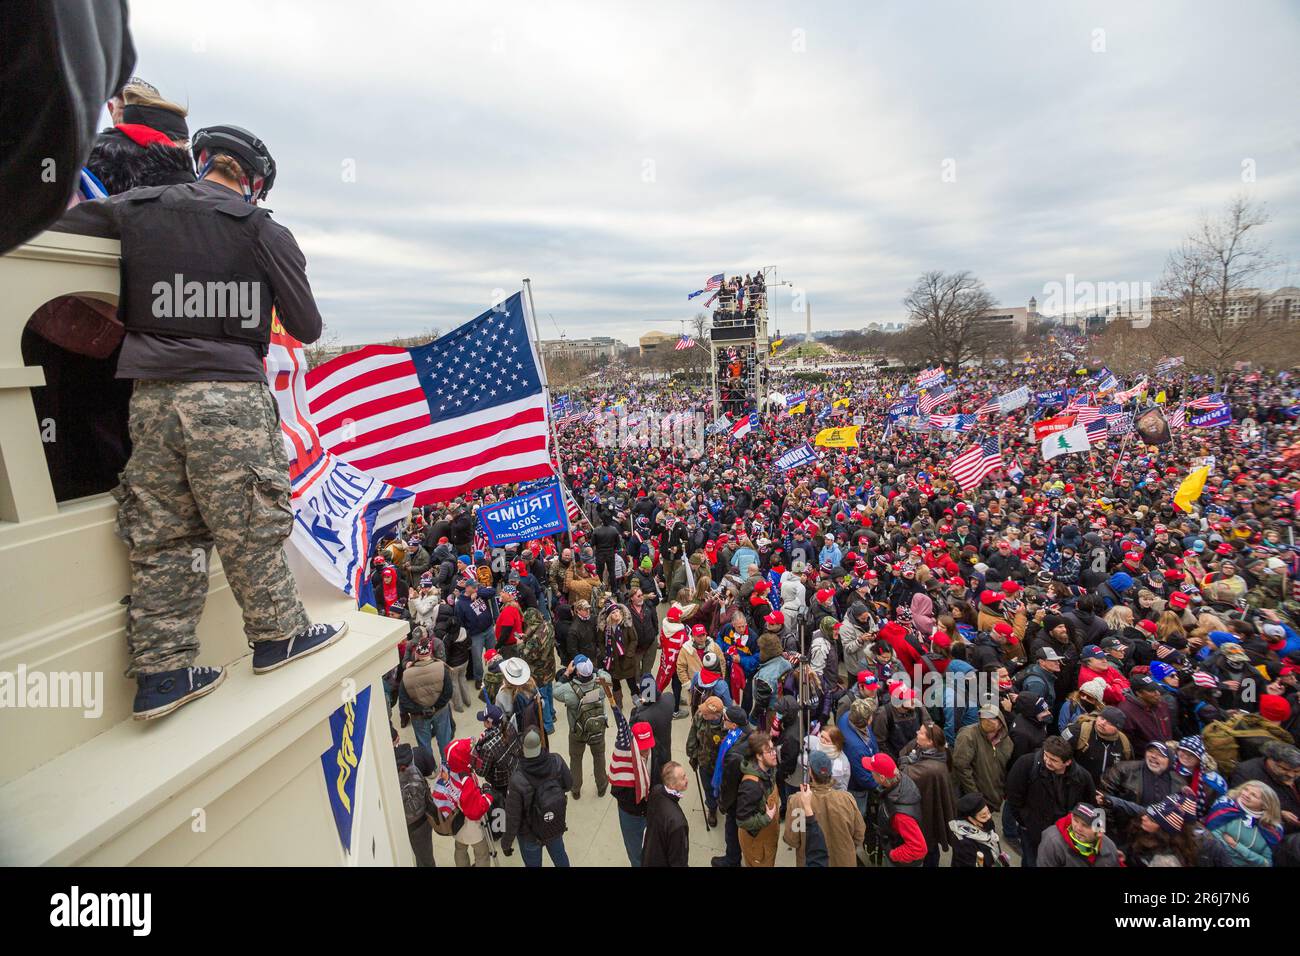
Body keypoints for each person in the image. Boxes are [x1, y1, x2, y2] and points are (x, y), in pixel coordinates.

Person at [54, 124, 346, 719]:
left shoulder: (134, 208)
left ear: (204, 162)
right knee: (249, 520)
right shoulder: (262, 229)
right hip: (227, 393)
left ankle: (163, 674)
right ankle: (278, 635)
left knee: (164, 532)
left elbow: (58, 232)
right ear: (254, 182)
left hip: (152, 398)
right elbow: (307, 326)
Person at [1005, 735, 1096, 867]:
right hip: (1032, 832)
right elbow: (1013, 796)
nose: (1047, 761)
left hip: (1064, 834)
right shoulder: (1026, 764)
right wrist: (1024, 822)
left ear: (1067, 762)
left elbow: (1089, 805)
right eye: (1046, 755)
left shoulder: (1082, 777)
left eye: (1053, 760)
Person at [501, 730, 573, 867]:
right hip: (554, 824)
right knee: (560, 857)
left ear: (523, 748)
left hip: (530, 835)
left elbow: (513, 818)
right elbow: (569, 784)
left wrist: (506, 843)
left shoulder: (517, 779)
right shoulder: (556, 760)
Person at [783, 750, 866, 867]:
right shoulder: (847, 799)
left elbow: (793, 840)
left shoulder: (798, 802)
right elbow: (859, 835)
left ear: (810, 772)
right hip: (844, 861)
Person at [899, 721, 957, 867]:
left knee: (928, 846)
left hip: (927, 813)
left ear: (930, 741)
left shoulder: (932, 768)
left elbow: (904, 773)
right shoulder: (934, 751)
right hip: (927, 808)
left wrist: (906, 761)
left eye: (921, 732)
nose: (917, 733)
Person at [862, 753, 928, 866]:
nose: (870, 773)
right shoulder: (900, 780)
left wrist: (892, 854)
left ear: (882, 778)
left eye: (872, 771)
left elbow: (918, 849)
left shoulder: (900, 815)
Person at [710, 704, 755, 867]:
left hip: (736, 800)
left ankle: (732, 860)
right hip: (747, 794)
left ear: (734, 725)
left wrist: (723, 804)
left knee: (731, 831)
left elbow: (729, 785)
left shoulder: (734, 753)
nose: (723, 720)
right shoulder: (750, 734)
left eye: (726, 719)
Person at [439, 738, 495, 868]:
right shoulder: (466, 781)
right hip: (470, 826)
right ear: (462, 759)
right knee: (482, 853)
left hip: (455, 821)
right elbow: (475, 811)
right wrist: (488, 795)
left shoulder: (447, 770)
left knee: (460, 849)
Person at [1205, 781, 1285, 866]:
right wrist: (1246, 859)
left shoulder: (1272, 829)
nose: (1246, 795)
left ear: (1265, 805)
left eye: (1253, 795)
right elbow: (1212, 839)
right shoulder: (1225, 809)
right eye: (1246, 790)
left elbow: (1266, 863)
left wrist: (1236, 846)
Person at [400, 640, 454, 764]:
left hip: (419, 716)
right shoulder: (441, 667)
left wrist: (420, 710)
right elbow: (448, 692)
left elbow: (403, 700)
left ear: (416, 655)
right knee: (444, 739)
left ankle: (431, 768)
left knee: (424, 744)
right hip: (440, 711)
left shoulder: (406, 675)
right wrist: (435, 707)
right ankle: (447, 764)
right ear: (430, 653)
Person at [611, 720, 657, 866]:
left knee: (653, 847)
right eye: (642, 747)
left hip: (652, 810)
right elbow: (616, 791)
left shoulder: (657, 753)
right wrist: (639, 789)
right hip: (631, 814)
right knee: (635, 851)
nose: (646, 750)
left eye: (648, 745)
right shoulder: (623, 763)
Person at [735, 731, 782, 867]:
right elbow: (742, 820)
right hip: (758, 843)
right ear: (759, 756)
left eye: (773, 748)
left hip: (769, 836)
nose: (774, 754)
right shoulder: (751, 786)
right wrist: (766, 818)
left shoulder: (769, 768)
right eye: (769, 751)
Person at [1036, 802, 1122, 867]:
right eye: (1075, 820)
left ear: (1099, 832)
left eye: (1085, 825)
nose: (1078, 828)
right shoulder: (1052, 842)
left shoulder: (1110, 848)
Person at [687, 695, 726, 827]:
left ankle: (721, 801)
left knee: (722, 787)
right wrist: (692, 755)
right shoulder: (700, 716)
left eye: (706, 713)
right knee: (708, 788)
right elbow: (692, 735)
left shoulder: (728, 724)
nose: (702, 713)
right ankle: (712, 809)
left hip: (722, 765)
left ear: (716, 715)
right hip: (704, 761)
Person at [396, 743, 438, 867]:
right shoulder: (417, 757)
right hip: (421, 821)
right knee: (425, 857)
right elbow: (432, 774)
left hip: (400, 822)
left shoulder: (388, 773)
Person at [643, 761, 691, 867]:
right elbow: (678, 861)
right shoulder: (678, 823)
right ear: (672, 785)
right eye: (683, 778)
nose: (687, 780)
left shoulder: (656, 791)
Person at [471, 703, 521, 801]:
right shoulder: (509, 726)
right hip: (516, 769)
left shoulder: (487, 747)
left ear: (489, 723)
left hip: (501, 782)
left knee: (506, 802)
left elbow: (481, 772)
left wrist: (474, 753)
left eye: (484, 720)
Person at [948, 792, 1011, 867]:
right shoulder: (964, 844)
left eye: (988, 812)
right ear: (971, 819)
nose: (989, 817)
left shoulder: (987, 824)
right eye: (983, 816)